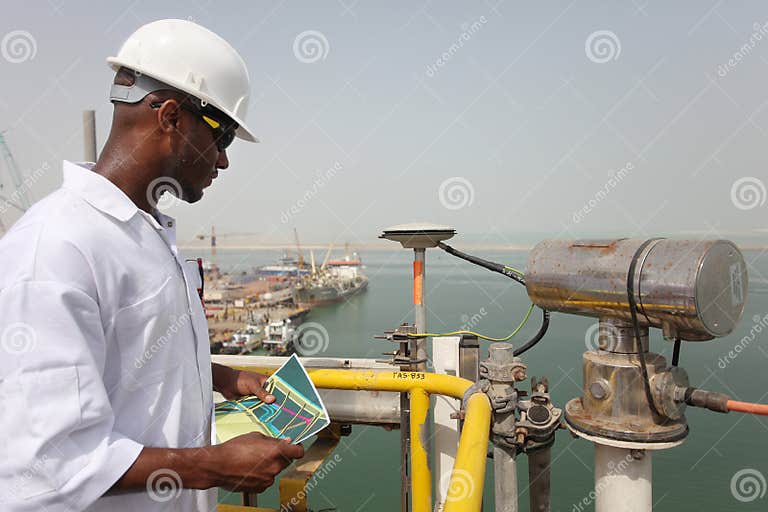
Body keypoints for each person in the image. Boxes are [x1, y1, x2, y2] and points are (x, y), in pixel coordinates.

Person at [0, 19, 304, 511]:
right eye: (222, 135)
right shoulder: (56, 248)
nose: (223, 161)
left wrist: (216, 375)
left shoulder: (143, 232)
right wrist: (215, 464)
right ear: (168, 116)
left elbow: (115, 358)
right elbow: (47, 461)